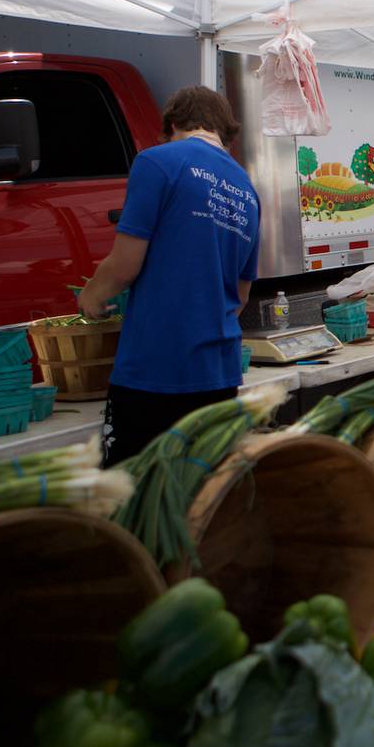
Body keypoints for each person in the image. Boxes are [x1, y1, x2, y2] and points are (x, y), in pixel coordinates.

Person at [81, 87, 260, 467]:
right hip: (219, 373)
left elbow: (124, 266)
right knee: (200, 495)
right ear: (224, 133)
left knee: (134, 494)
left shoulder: (157, 162)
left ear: (173, 124)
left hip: (156, 368)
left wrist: (93, 295)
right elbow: (241, 294)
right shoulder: (247, 189)